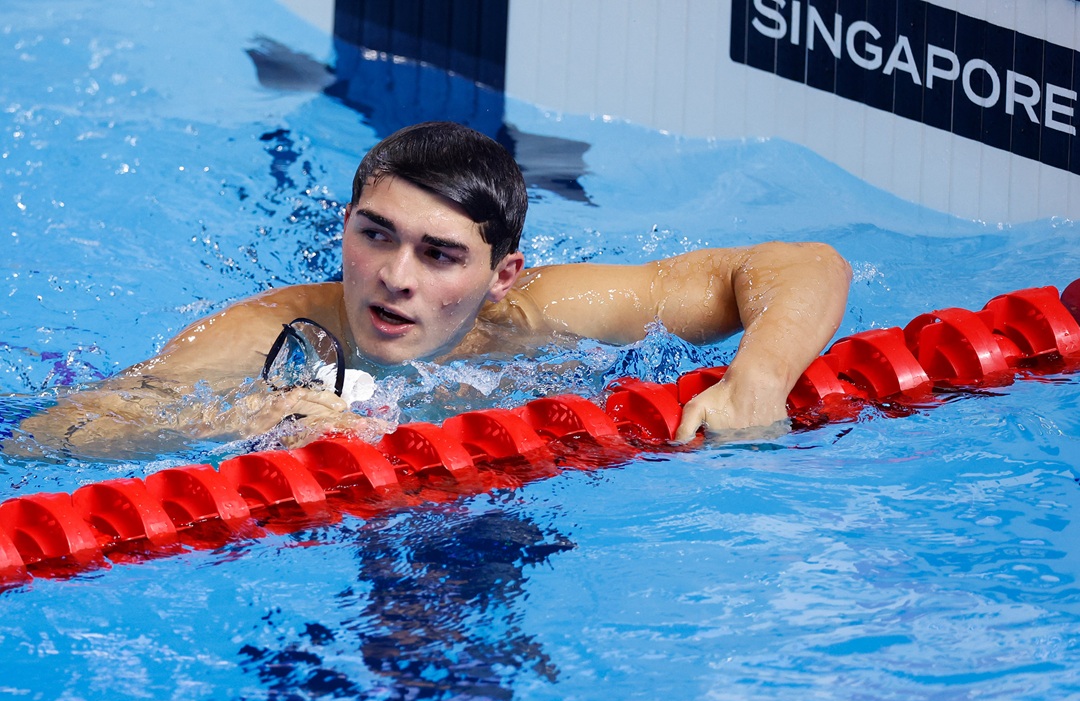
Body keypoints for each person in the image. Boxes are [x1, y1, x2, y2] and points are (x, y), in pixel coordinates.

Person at [7, 121, 851, 460]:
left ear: (500, 276)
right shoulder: (259, 335)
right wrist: (229, 422)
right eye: (375, 236)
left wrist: (760, 378)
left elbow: (806, 265)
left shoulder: (541, 313)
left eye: (441, 255)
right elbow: (48, 437)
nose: (396, 278)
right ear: (345, 228)